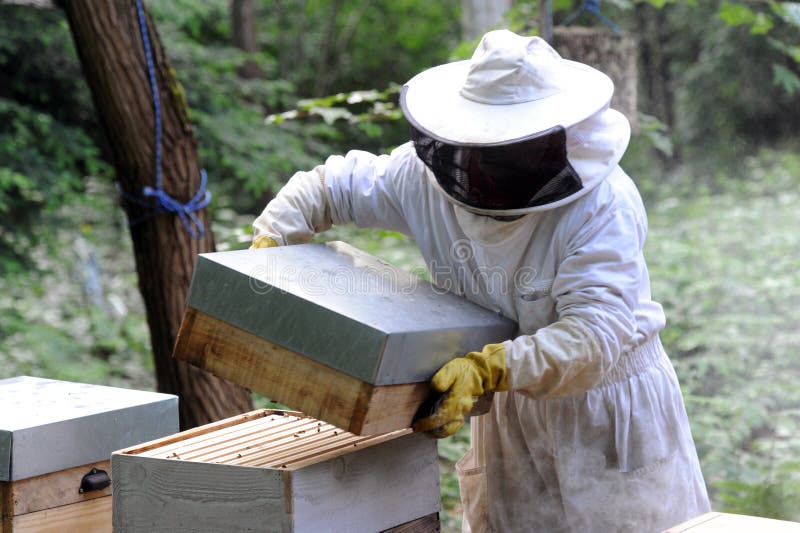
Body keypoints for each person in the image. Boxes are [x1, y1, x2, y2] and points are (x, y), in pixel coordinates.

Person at [252, 29, 710, 532]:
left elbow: (595, 337)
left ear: (548, 144)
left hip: (605, 411)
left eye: (506, 153)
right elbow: (330, 186)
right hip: (507, 403)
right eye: (481, 151)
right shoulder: (422, 177)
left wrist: (492, 368)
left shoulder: (602, 206)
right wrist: (273, 241)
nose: (488, 169)